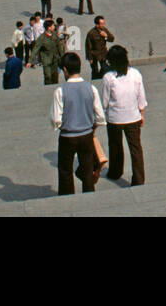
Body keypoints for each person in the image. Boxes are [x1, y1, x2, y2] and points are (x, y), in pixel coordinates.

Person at [51, 52, 106, 195]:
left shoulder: (60, 91)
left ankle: (67, 195)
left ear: (65, 70)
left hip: (68, 136)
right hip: (86, 135)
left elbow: (56, 120)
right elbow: (100, 116)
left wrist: (62, 125)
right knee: (87, 169)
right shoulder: (91, 88)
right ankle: (89, 193)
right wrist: (92, 126)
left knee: (65, 170)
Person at [102, 45, 147, 186]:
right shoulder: (135, 74)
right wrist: (142, 113)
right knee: (136, 149)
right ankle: (139, 178)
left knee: (115, 146)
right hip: (133, 116)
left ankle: (116, 171)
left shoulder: (108, 77)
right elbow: (141, 97)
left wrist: (102, 113)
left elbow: (105, 100)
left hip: (115, 118)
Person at [33, 20, 63, 85]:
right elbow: (36, 49)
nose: (54, 27)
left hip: (55, 59)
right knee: (48, 76)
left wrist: (62, 56)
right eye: (53, 26)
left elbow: (59, 46)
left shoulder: (55, 34)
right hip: (46, 60)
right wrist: (30, 61)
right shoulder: (42, 38)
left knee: (55, 76)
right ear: (49, 27)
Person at [86, 16, 116, 80]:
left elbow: (112, 38)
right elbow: (88, 46)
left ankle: (103, 78)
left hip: (103, 53)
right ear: (97, 25)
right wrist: (90, 58)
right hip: (94, 54)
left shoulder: (104, 30)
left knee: (105, 68)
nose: (103, 25)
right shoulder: (91, 33)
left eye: (103, 23)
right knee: (94, 71)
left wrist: (106, 36)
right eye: (102, 24)